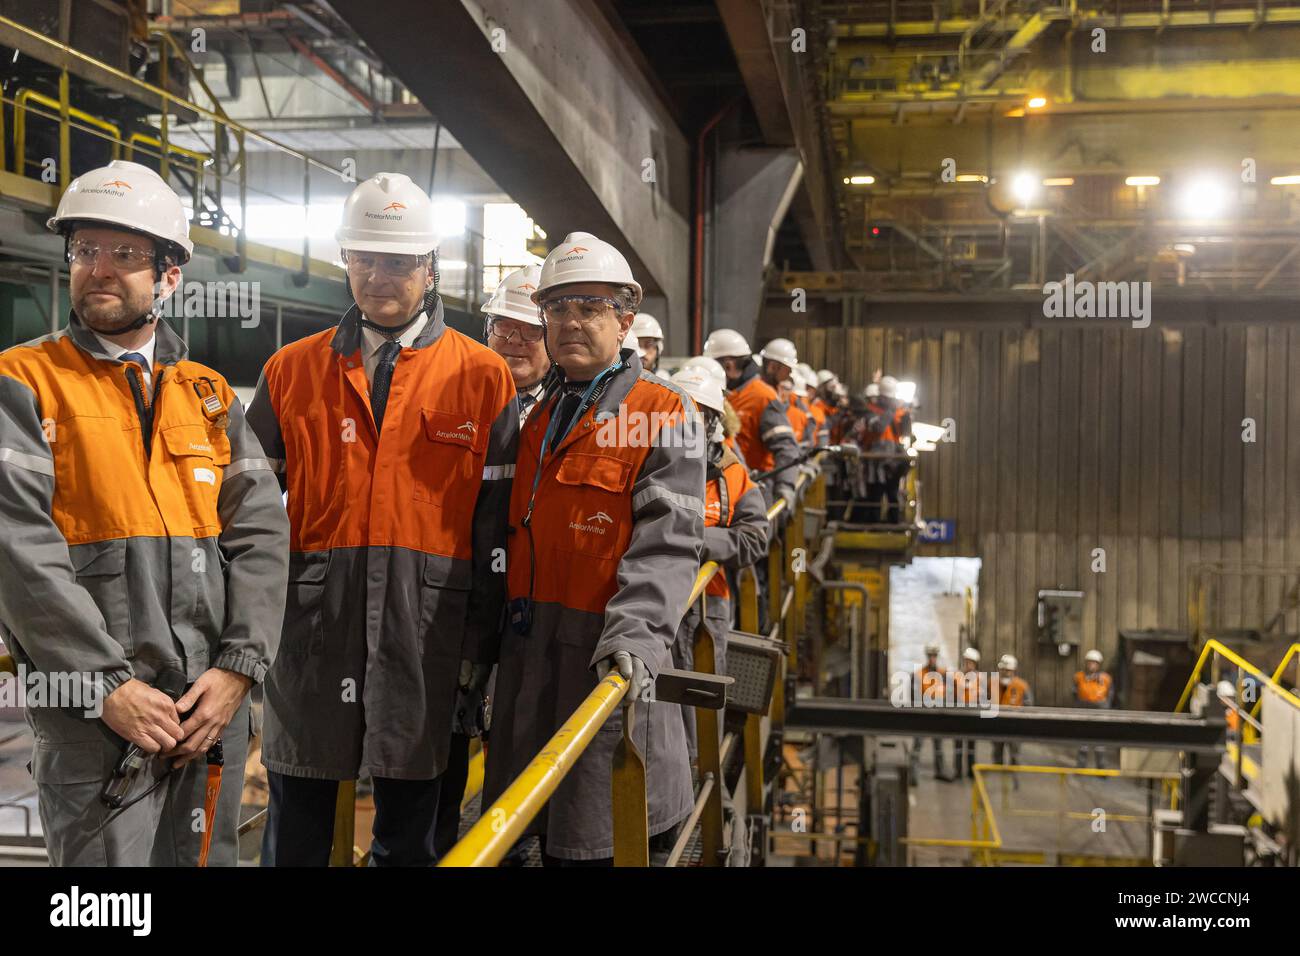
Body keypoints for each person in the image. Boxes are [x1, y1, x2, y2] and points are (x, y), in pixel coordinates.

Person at [0, 160, 289, 865]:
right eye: (85, 251)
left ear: (169, 276)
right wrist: (105, 686)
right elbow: (17, 548)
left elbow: (261, 536)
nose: (98, 269)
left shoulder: (209, 395)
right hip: (95, 724)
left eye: (124, 254)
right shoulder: (23, 380)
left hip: (205, 715)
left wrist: (237, 672)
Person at [247, 172, 518, 867]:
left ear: (430, 268)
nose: (377, 276)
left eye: (396, 261)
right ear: (345, 261)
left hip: (427, 639)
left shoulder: (483, 377)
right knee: (296, 833)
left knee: (413, 839)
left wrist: (478, 652)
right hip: (312, 632)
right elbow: (245, 519)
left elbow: (496, 531)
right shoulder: (290, 372)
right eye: (363, 258)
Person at [483, 231, 702, 865]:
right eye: (558, 308)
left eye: (591, 307)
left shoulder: (664, 413)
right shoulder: (533, 415)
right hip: (526, 659)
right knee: (528, 831)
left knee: (595, 833)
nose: (570, 322)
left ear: (625, 320)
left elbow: (667, 543)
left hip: (601, 662)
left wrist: (633, 637)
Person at [668, 366, 769, 762]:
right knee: (655, 700)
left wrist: (695, 539)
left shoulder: (731, 474)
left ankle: (706, 784)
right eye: (681, 410)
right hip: (652, 600)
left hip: (707, 606)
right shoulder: (647, 461)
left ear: (715, 422)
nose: (690, 420)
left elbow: (754, 536)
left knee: (701, 697)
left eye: (700, 413)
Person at [702, 329, 799, 510]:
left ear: (729, 366)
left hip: (757, 488)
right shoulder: (721, 395)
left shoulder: (762, 396)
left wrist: (785, 486)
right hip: (727, 485)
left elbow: (786, 447)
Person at [483, 264, 551, 424]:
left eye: (532, 330)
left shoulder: (566, 412)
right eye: (504, 325)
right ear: (488, 330)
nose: (514, 339)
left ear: (552, 341)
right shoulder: (457, 394)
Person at [910, 644, 951, 781]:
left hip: (938, 714)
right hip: (923, 714)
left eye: (934, 656)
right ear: (927, 657)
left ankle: (940, 771)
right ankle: (913, 774)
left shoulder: (943, 674)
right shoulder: (918, 674)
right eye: (930, 656)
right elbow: (913, 695)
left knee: (939, 745)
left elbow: (948, 694)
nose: (932, 658)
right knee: (917, 745)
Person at [995, 654, 1032, 785]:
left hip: (1015, 726)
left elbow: (1028, 705)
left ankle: (1014, 779)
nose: (1005, 672)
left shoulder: (1022, 685)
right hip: (997, 726)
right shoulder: (993, 683)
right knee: (997, 755)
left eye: (1008, 670)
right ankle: (998, 781)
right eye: (1003, 670)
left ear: (1013, 671)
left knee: (1015, 755)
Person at [1074, 649, 1114, 768]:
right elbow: (1074, 692)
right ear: (1086, 663)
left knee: (1100, 740)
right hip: (1083, 710)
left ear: (1099, 664)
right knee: (1083, 739)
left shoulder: (1106, 679)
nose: (1091, 665)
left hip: (1100, 711)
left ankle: (1101, 767)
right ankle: (1081, 765)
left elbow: (1110, 695)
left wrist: (1105, 708)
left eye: (1094, 662)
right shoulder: (1079, 677)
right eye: (1090, 662)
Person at [954, 647, 982, 779]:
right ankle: (958, 771)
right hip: (959, 716)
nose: (968, 665)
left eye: (970, 662)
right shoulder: (957, 676)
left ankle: (971, 771)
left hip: (973, 716)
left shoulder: (980, 679)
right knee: (958, 746)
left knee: (971, 746)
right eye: (966, 662)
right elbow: (950, 695)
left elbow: (983, 697)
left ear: (975, 664)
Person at [631, 312, 666, 377]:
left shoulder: (665, 380)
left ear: (659, 348)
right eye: (636, 346)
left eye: (648, 345)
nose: (642, 352)